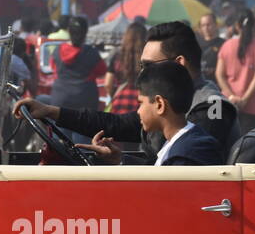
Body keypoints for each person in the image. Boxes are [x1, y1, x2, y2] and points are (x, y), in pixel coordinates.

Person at [15, 20, 237, 162]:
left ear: (178, 64)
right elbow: (118, 125)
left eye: (149, 66)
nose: (142, 74)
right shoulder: (172, 103)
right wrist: (51, 112)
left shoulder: (211, 107)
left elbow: (185, 174)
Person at [75, 61, 222, 166]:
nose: (138, 111)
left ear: (159, 104)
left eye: (140, 103)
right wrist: (119, 159)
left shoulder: (188, 154)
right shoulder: (178, 143)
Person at [216, 8, 255, 133]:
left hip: (228, 104)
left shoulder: (226, 45)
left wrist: (231, 96)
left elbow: (219, 74)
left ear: (237, 26)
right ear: (253, 25)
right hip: (253, 105)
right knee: (250, 145)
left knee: (228, 144)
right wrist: (244, 99)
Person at [45, 16, 106, 112]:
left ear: (69, 31)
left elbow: (53, 69)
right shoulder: (91, 52)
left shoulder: (57, 51)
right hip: (85, 103)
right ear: (85, 32)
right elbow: (102, 71)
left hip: (60, 101)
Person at [105, 21, 145, 115]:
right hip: (141, 102)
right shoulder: (146, 57)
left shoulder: (117, 56)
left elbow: (107, 83)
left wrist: (115, 95)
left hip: (120, 102)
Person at [197, 12, 224, 83]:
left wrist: (215, 70)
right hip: (200, 85)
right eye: (203, 25)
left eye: (208, 24)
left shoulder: (224, 44)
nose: (206, 28)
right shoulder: (196, 44)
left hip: (218, 85)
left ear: (216, 25)